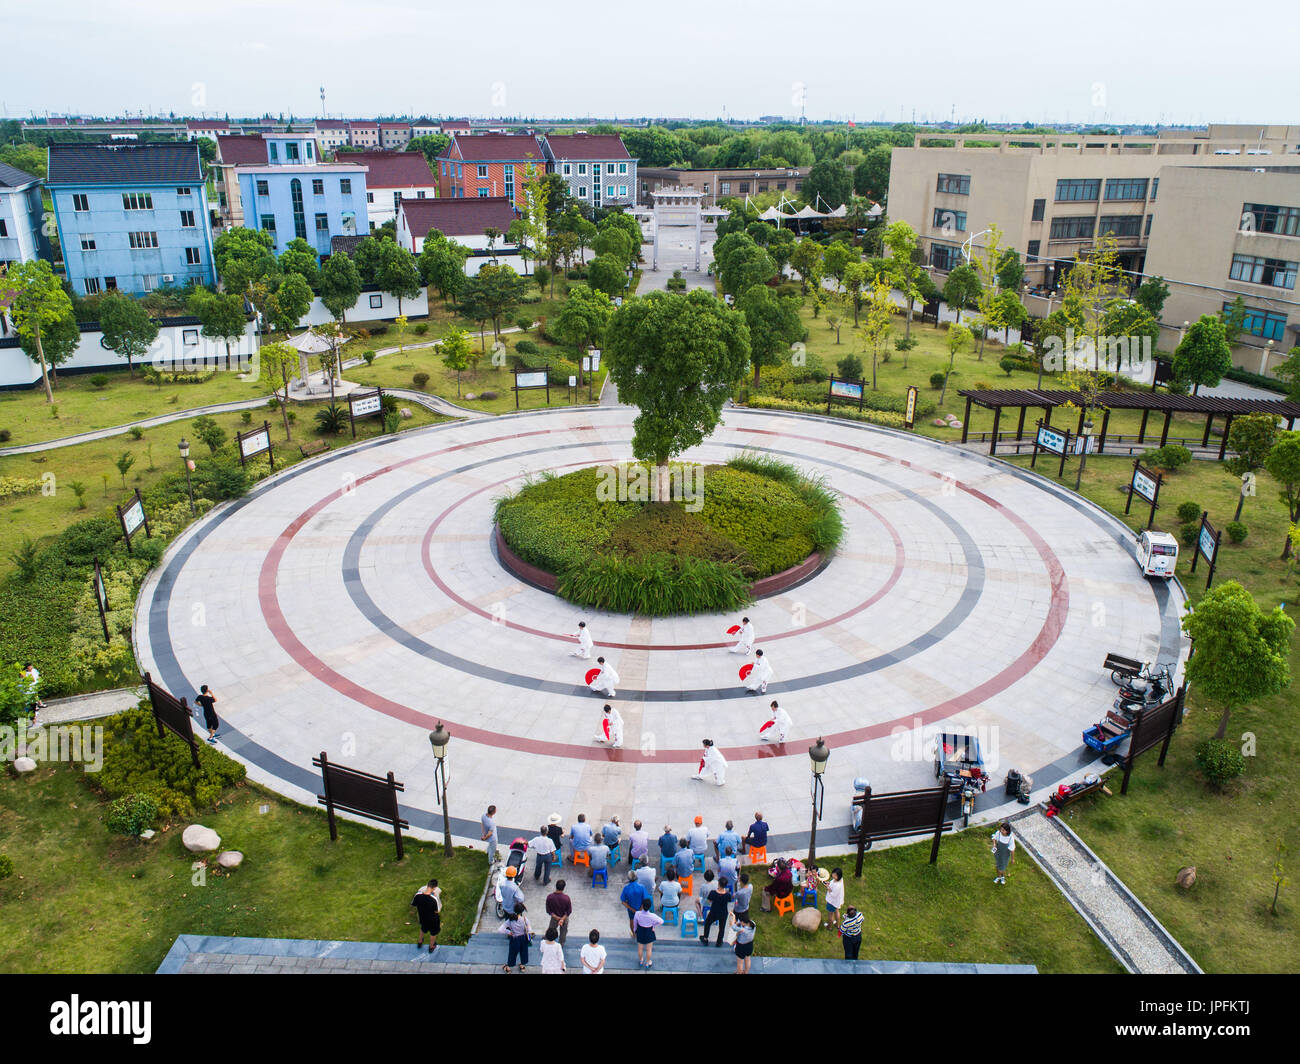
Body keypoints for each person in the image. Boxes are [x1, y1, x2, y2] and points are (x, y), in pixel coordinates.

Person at [411, 879, 442, 953]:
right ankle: (431, 946)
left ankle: (420, 941)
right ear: (434, 888)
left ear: (427, 885)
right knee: (433, 932)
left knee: (423, 928)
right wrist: (435, 897)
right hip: (433, 919)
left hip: (422, 917)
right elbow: (437, 910)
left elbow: (413, 904)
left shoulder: (418, 895)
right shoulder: (434, 899)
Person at [633, 898, 665, 968]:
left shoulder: (637, 913)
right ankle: (648, 962)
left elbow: (635, 924)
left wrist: (635, 931)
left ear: (642, 905)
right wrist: (653, 925)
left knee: (640, 948)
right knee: (649, 949)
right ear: (650, 906)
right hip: (649, 931)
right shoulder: (652, 915)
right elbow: (662, 921)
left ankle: (641, 960)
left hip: (640, 931)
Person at [701, 875, 732, 947]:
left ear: (718, 884)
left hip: (714, 912)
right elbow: (729, 901)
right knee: (722, 927)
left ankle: (705, 938)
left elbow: (709, 901)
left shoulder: (713, 893)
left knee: (708, 923)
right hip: (723, 913)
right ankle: (719, 941)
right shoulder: (728, 895)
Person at [502, 903, 532, 972]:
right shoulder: (525, 919)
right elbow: (529, 930)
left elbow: (500, 929)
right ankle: (522, 965)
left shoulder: (510, 919)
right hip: (524, 938)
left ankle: (508, 968)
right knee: (524, 952)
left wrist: (509, 932)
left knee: (512, 953)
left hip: (514, 939)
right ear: (522, 911)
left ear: (514, 910)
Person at [545, 880, 571, 945]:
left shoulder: (550, 897)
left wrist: (556, 917)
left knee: (551, 930)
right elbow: (569, 911)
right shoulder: (566, 898)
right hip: (564, 919)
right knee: (563, 932)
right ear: (564, 888)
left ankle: (548, 939)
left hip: (554, 918)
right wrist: (562, 919)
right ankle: (561, 944)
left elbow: (548, 910)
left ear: (555, 886)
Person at [992, 820, 1016, 885]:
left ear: (1007, 831)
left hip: (1005, 855)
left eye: (1003, 830)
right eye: (1001, 829)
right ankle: (999, 877)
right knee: (998, 865)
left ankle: (1002, 877)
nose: (1001, 831)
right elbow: (994, 838)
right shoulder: (998, 833)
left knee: (1002, 868)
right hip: (998, 852)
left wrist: (1012, 859)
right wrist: (994, 844)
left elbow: (1012, 849)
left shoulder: (1010, 838)